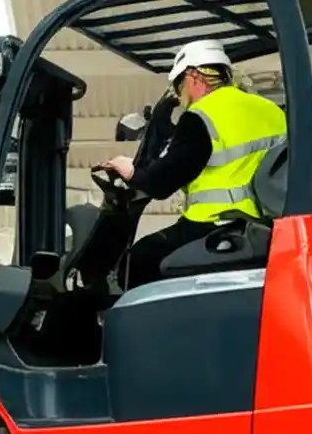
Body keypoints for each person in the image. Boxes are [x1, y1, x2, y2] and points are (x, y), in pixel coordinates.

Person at [100, 39, 288, 289]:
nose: (180, 97)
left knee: (137, 261)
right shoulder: (272, 110)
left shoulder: (202, 116)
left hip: (218, 224)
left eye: (179, 87)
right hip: (268, 225)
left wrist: (130, 171)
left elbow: (161, 183)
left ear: (193, 76)